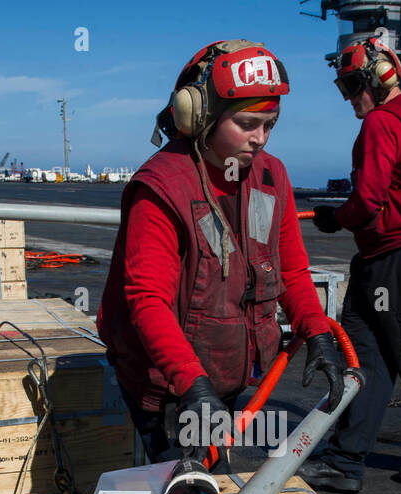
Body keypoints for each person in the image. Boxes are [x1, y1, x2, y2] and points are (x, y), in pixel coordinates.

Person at [97, 39, 344, 465]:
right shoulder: (162, 187)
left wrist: (318, 333)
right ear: (201, 116)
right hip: (168, 384)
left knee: (213, 480)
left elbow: (293, 272)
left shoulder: (271, 175)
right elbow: (147, 300)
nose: (260, 139)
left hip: (223, 375)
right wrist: (193, 386)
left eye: (270, 124)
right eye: (248, 123)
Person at [300, 37, 401, 492]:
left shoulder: (381, 123)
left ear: (380, 79)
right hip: (392, 260)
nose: (351, 97)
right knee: (363, 362)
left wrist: (336, 217)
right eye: (345, 87)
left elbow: (369, 200)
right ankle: (345, 461)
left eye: (355, 85)